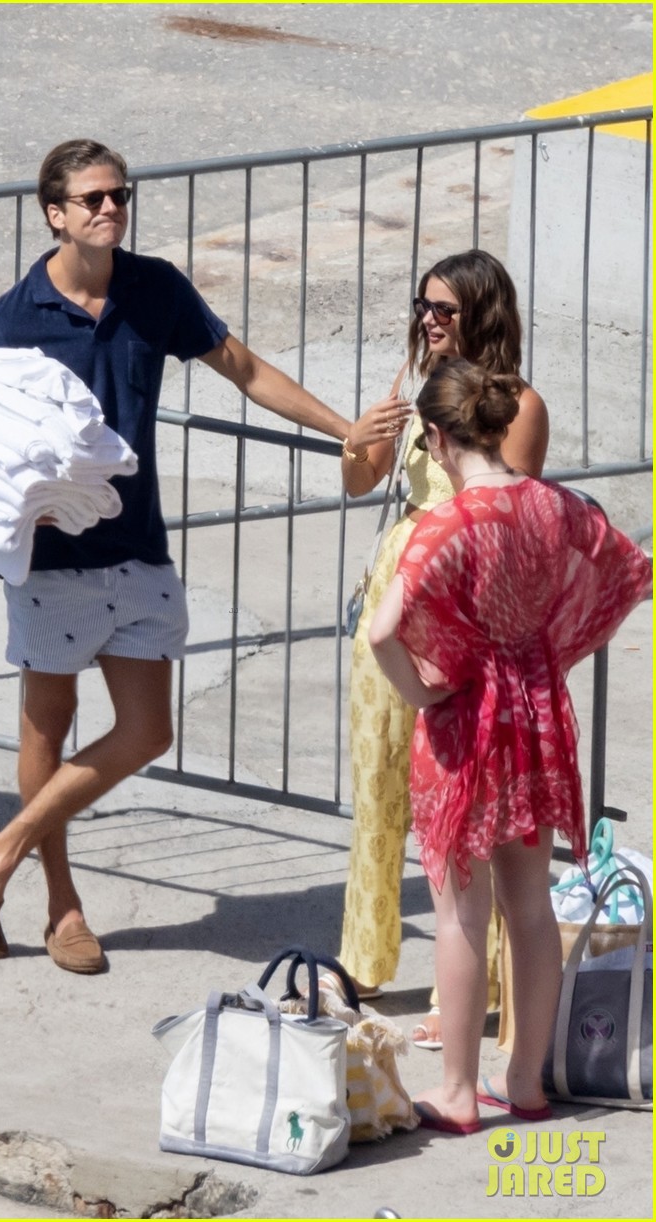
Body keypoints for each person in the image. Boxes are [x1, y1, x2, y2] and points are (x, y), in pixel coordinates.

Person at [0, 138, 405, 972]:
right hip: (52, 563)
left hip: (140, 548)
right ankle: (62, 906)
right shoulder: (9, 321)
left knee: (148, 731)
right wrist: (14, 511)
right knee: (48, 727)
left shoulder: (154, 288)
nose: (110, 208)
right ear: (54, 214)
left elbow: (245, 369)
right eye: (92, 199)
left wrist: (348, 432)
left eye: (119, 194)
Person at [368, 358, 651, 1132]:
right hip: (535, 715)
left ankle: (457, 1090)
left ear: (434, 436)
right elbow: (629, 573)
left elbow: (384, 629)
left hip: (466, 723)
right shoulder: (555, 507)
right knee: (527, 907)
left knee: (460, 910)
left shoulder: (446, 525)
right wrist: (552, 646)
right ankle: (523, 1079)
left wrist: (420, 688)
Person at [338, 250, 549, 1046]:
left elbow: (508, 517)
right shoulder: (414, 384)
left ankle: (464, 990)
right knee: (378, 792)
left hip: (456, 608)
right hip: (391, 599)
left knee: (460, 808)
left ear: (482, 314)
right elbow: (360, 483)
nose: (428, 319)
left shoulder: (515, 406)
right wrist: (364, 438)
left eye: (444, 310)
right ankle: (362, 958)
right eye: (422, 305)